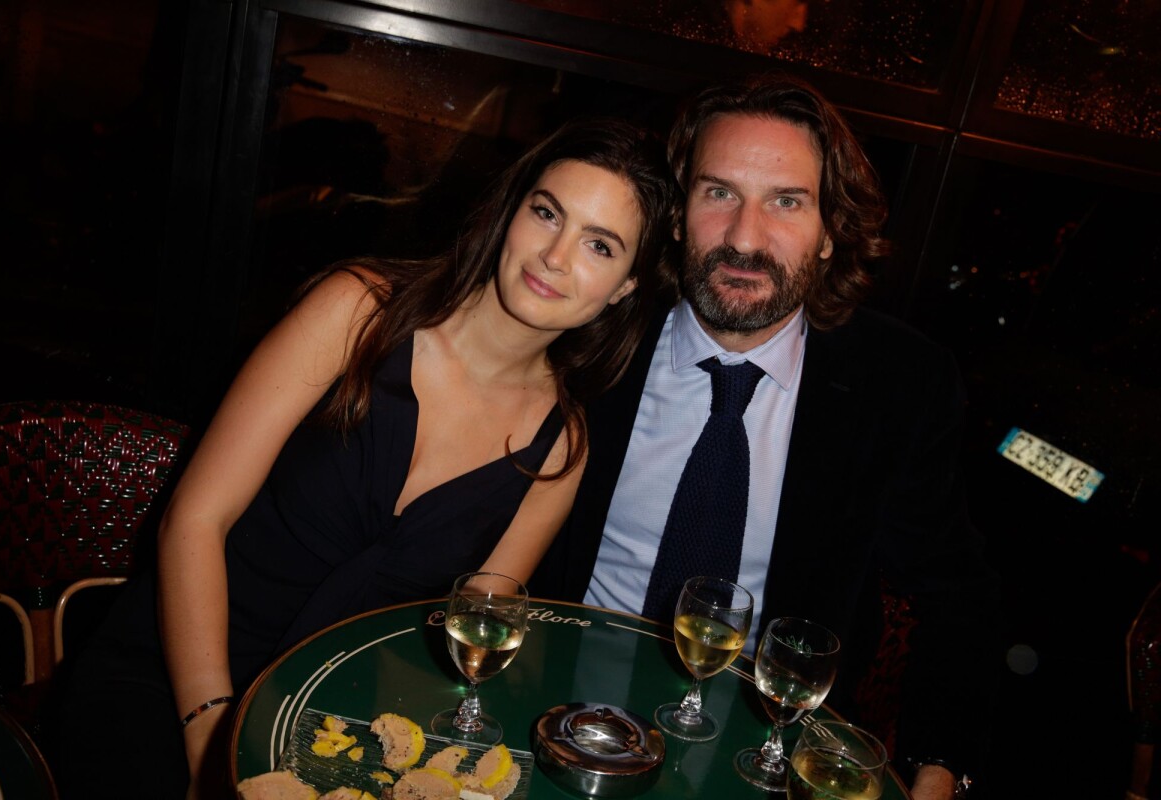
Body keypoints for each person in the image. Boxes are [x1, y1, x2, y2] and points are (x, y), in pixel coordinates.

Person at [48, 116, 676, 800]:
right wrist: (212, 733)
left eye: (599, 245)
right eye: (547, 213)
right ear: (512, 210)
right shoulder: (359, 312)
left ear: (624, 288)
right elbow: (193, 520)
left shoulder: (560, 450)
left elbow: (463, 649)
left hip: (337, 725)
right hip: (176, 679)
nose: (555, 256)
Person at [529, 74, 1001, 800]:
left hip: (761, 751)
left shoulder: (900, 385)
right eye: (718, 193)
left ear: (828, 232)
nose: (745, 239)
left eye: (787, 202)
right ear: (679, 215)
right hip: (553, 710)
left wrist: (939, 772)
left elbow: (954, 596)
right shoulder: (591, 333)